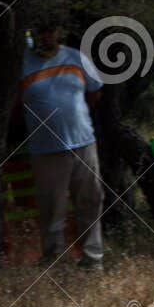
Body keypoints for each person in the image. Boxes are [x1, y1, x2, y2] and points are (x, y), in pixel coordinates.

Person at [18, 25, 104, 268]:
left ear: (57, 32)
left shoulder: (76, 57)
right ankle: (54, 260)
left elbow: (94, 94)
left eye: (49, 31)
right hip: (45, 149)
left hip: (83, 142)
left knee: (90, 199)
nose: (45, 37)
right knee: (51, 207)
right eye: (40, 32)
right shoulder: (22, 64)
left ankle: (92, 259)